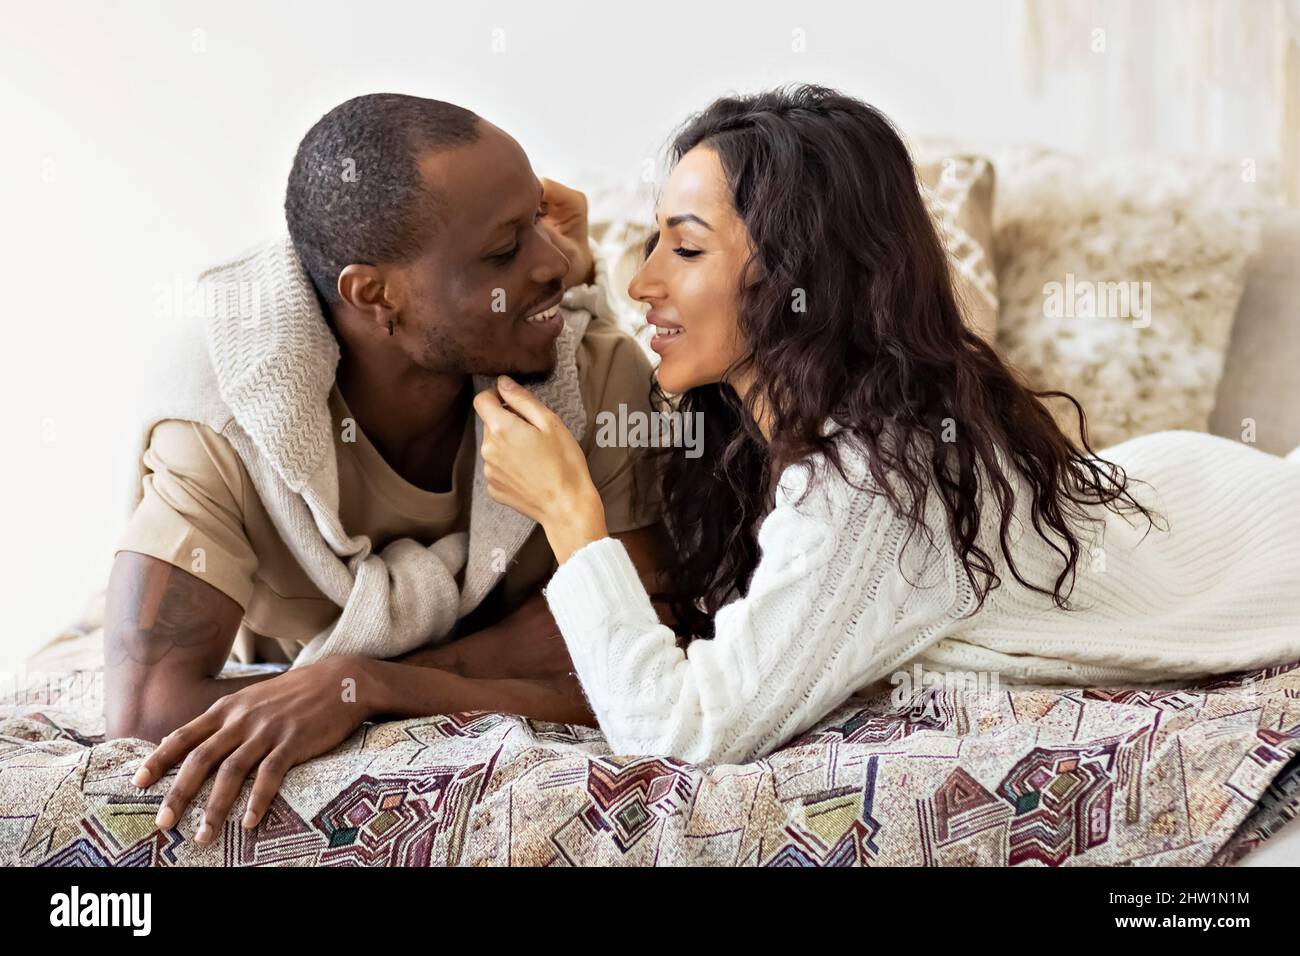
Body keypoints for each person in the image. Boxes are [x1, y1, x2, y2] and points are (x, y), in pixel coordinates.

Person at [473, 84, 1300, 767]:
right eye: (652, 240)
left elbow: (682, 732)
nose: (645, 279)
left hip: (1248, 539)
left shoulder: (870, 483)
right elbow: (656, 353)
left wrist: (571, 519)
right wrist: (570, 277)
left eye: (684, 250)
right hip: (1157, 491)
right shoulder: (789, 412)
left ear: (798, 276)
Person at [103, 94, 670, 845]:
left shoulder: (596, 374)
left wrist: (362, 683)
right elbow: (147, 713)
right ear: (375, 295)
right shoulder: (223, 413)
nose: (557, 262)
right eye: (504, 251)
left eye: (542, 217)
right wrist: (503, 658)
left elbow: (639, 650)